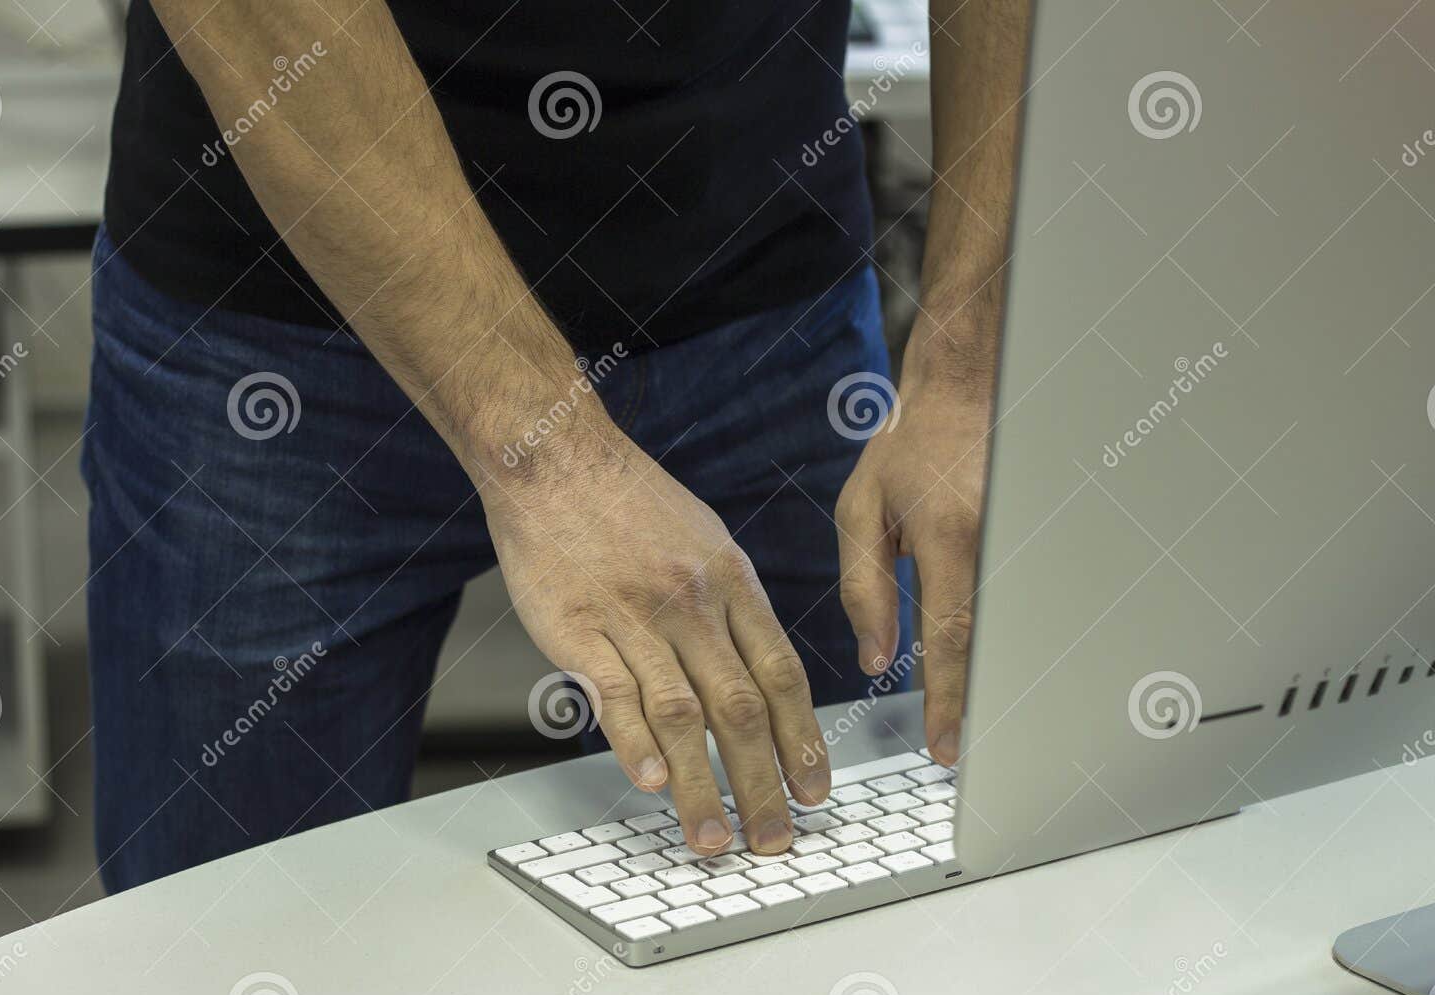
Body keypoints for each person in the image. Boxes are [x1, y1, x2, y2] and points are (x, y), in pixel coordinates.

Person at [83, 0, 1027, 890]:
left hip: (756, 277)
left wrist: (971, 361)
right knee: (241, 956)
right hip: (279, 324)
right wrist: (550, 454)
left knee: (815, 918)